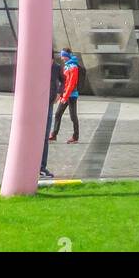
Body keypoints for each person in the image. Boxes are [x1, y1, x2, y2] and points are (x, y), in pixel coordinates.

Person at [39, 50, 64, 180]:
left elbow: (64, 80)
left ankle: (42, 167)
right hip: (37, 104)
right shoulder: (37, 66)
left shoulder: (56, 67)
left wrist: (59, 93)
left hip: (49, 104)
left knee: (44, 137)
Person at [50, 48, 81, 144]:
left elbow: (71, 84)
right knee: (58, 114)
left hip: (71, 96)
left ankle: (75, 137)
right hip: (65, 95)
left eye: (63, 55)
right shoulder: (67, 66)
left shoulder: (73, 67)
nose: (61, 57)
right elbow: (64, 82)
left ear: (67, 56)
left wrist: (65, 97)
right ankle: (54, 135)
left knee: (73, 116)